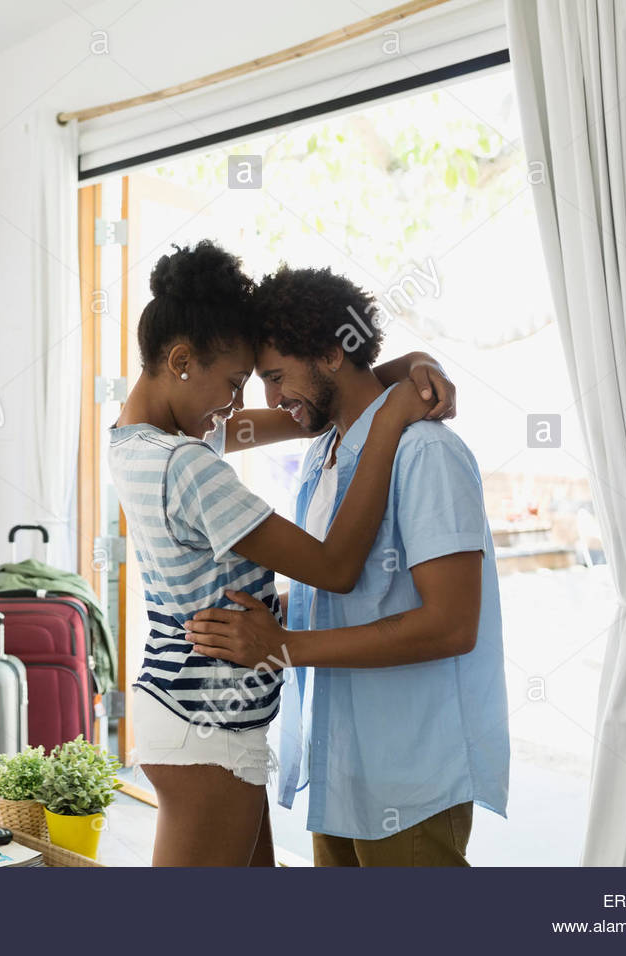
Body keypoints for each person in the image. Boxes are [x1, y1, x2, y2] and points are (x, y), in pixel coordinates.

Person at [109, 241, 454, 866]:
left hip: (192, 716)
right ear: (182, 360)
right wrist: (396, 413)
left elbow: (311, 413)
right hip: (205, 727)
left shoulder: (141, 442)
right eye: (236, 382)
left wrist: (412, 366)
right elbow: (335, 567)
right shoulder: (184, 465)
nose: (240, 405)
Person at [186, 265, 510, 867]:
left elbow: (452, 625)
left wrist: (282, 646)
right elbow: (356, 591)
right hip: (340, 765)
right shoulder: (323, 453)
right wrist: (268, 618)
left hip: (408, 772)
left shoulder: (426, 453)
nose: (271, 399)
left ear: (333, 355)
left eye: (277, 377)